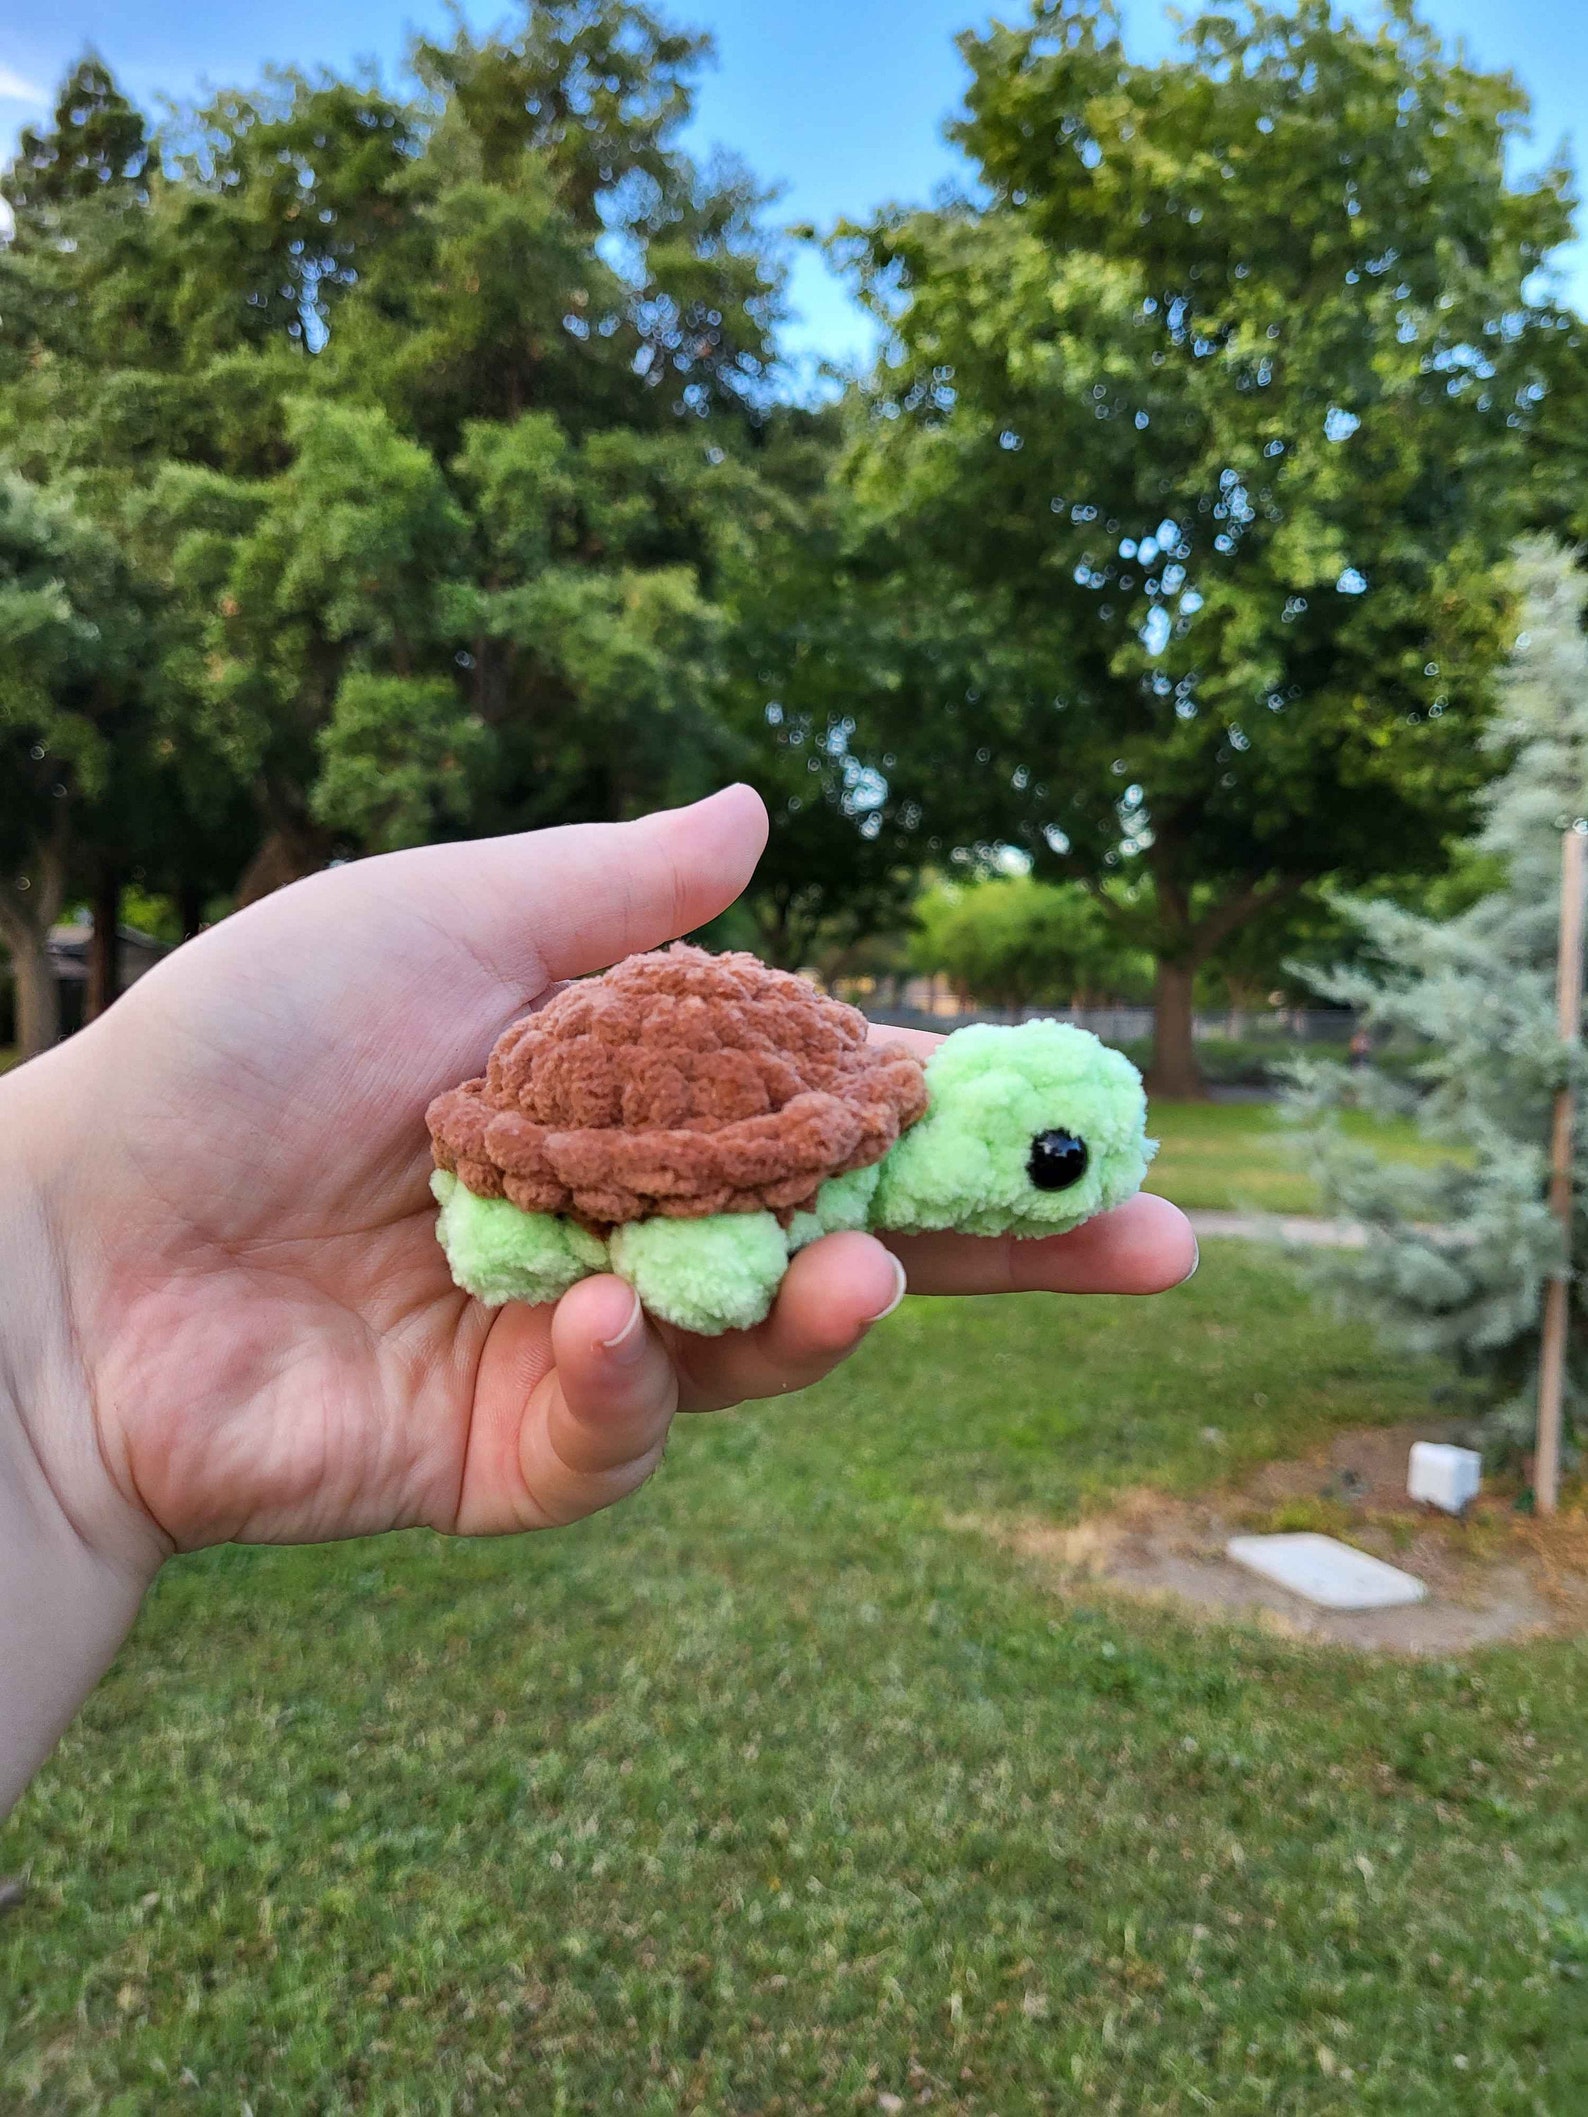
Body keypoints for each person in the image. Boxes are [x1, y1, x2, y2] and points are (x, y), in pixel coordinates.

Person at [0, 789, 1196, 1814]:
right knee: (688, 1272)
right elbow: (711, 1255)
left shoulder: (856, 1107)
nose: (1051, 1183)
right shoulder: (820, 1152)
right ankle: (514, 1219)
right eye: (1051, 1162)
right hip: (572, 1111)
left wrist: (57, 1420)